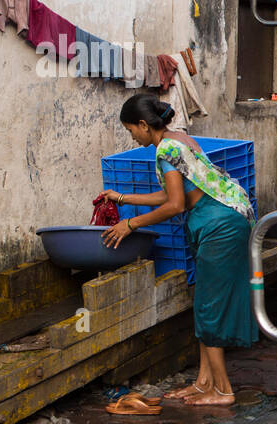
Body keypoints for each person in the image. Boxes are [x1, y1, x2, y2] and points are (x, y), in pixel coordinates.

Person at [101, 94, 257, 405]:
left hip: (219, 225)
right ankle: (204, 382)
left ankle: (222, 391)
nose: (131, 135)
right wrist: (122, 198)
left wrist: (129, 226)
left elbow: (174, 205)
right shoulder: (178, 140)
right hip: (228, 216)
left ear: (144, 125)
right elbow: (177, 194)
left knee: (210, 307)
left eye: (131, 129)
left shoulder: (164, 151)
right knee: (204, 301)